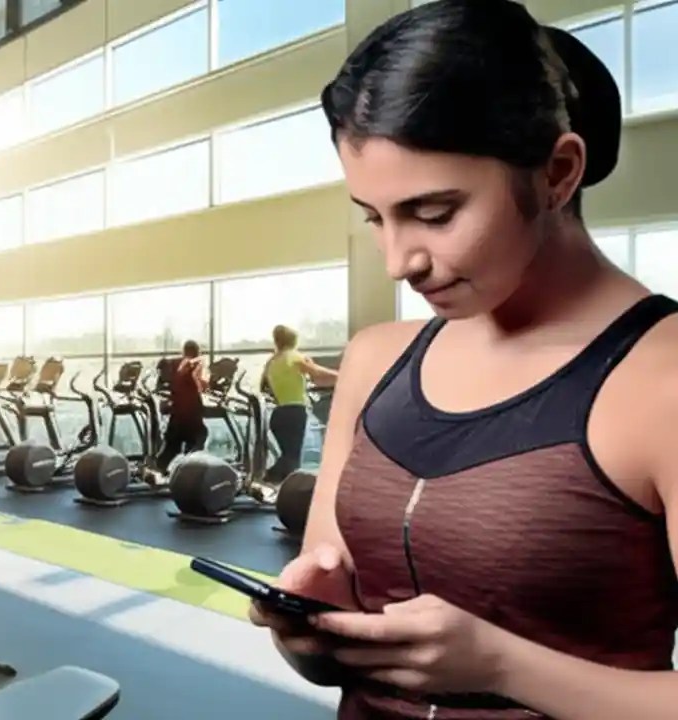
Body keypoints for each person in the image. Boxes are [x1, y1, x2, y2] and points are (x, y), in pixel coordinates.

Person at [248, 2, 678, 719]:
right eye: (374, 216)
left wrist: (500, 664)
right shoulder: (373, 360)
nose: (398, 262)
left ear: (559, 172)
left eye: (435, 212)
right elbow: (332, 656)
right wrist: (310, 627)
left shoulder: (663, 379)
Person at [259, 325, 338, 485]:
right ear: (294, 340)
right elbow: (317, 374)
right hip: (294, 413)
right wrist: (344, 376)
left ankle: (268, 481)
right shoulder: (294, 357)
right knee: (292, 460)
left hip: (278, 414)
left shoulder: (272, 362)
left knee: (288, 456)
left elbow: (263, 387)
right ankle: (285, 490)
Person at [154, 340, 208, 473]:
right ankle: (189, 470)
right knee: (198, 438)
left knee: (173, 446)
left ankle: (158, 468)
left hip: (179, 413)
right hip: (189, 413)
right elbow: (199, 385)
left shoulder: (180, 365)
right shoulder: (192, 365)